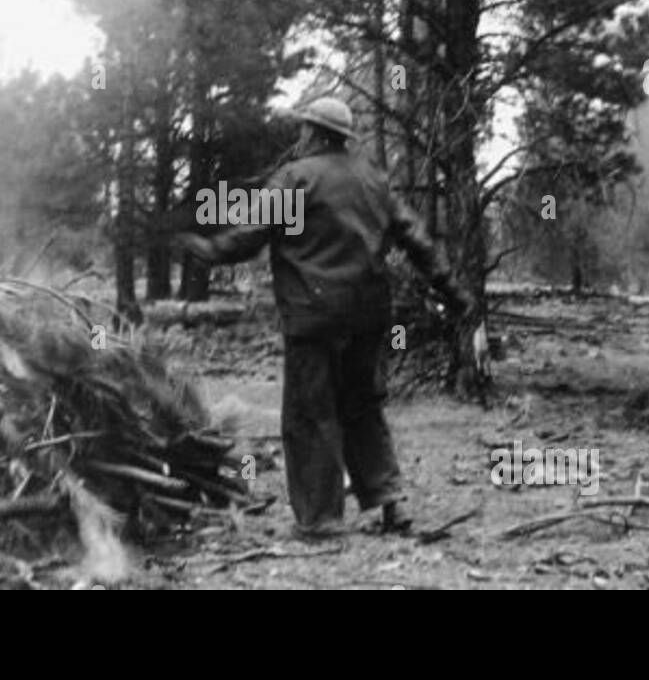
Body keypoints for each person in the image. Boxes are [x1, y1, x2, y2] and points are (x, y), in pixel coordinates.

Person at [176, 97, 471, 538]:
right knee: (363, 408)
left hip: (314, 318)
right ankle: (391, 503)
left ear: (314, 133)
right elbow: (418, 241)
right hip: (369, 316)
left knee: (310, 414)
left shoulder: (297, 179)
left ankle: (320, 520)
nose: (299, 137)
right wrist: (456, 293)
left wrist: (207, 250)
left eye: (303, 130)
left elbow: (253, 235)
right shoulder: (373, 180)